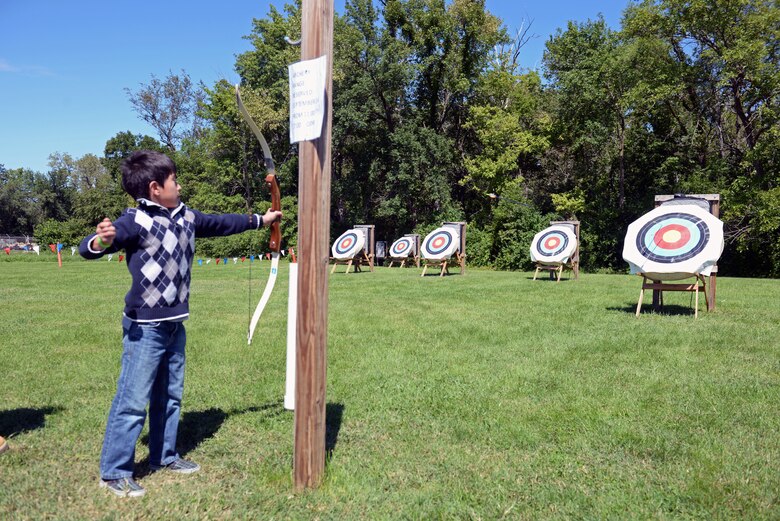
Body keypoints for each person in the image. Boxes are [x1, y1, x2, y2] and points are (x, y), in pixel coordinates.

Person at [79, 150, 281, 498]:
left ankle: (164, 455)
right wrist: (102, 240)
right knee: (132, 399)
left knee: (170, 396)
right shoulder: (134, 221)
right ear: (156, 188)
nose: (180, 183)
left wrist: (262, 220)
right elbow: (89, 248)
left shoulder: (187, 217)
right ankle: (114, 472)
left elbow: (221, 223)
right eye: (174, 179)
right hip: (145, 328)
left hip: (175, 324)